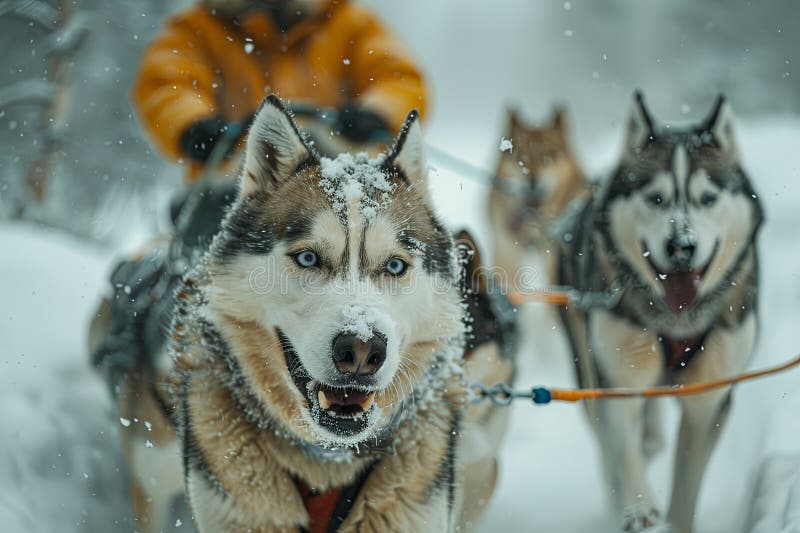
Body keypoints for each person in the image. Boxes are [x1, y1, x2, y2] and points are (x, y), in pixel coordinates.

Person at [132, 0, 429, 181]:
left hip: (346, 186)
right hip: (229, 188)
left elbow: (399, 79)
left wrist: (377, 112)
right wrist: (192, 125)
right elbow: (167, 82)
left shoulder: (351, 23)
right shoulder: (198, 27)